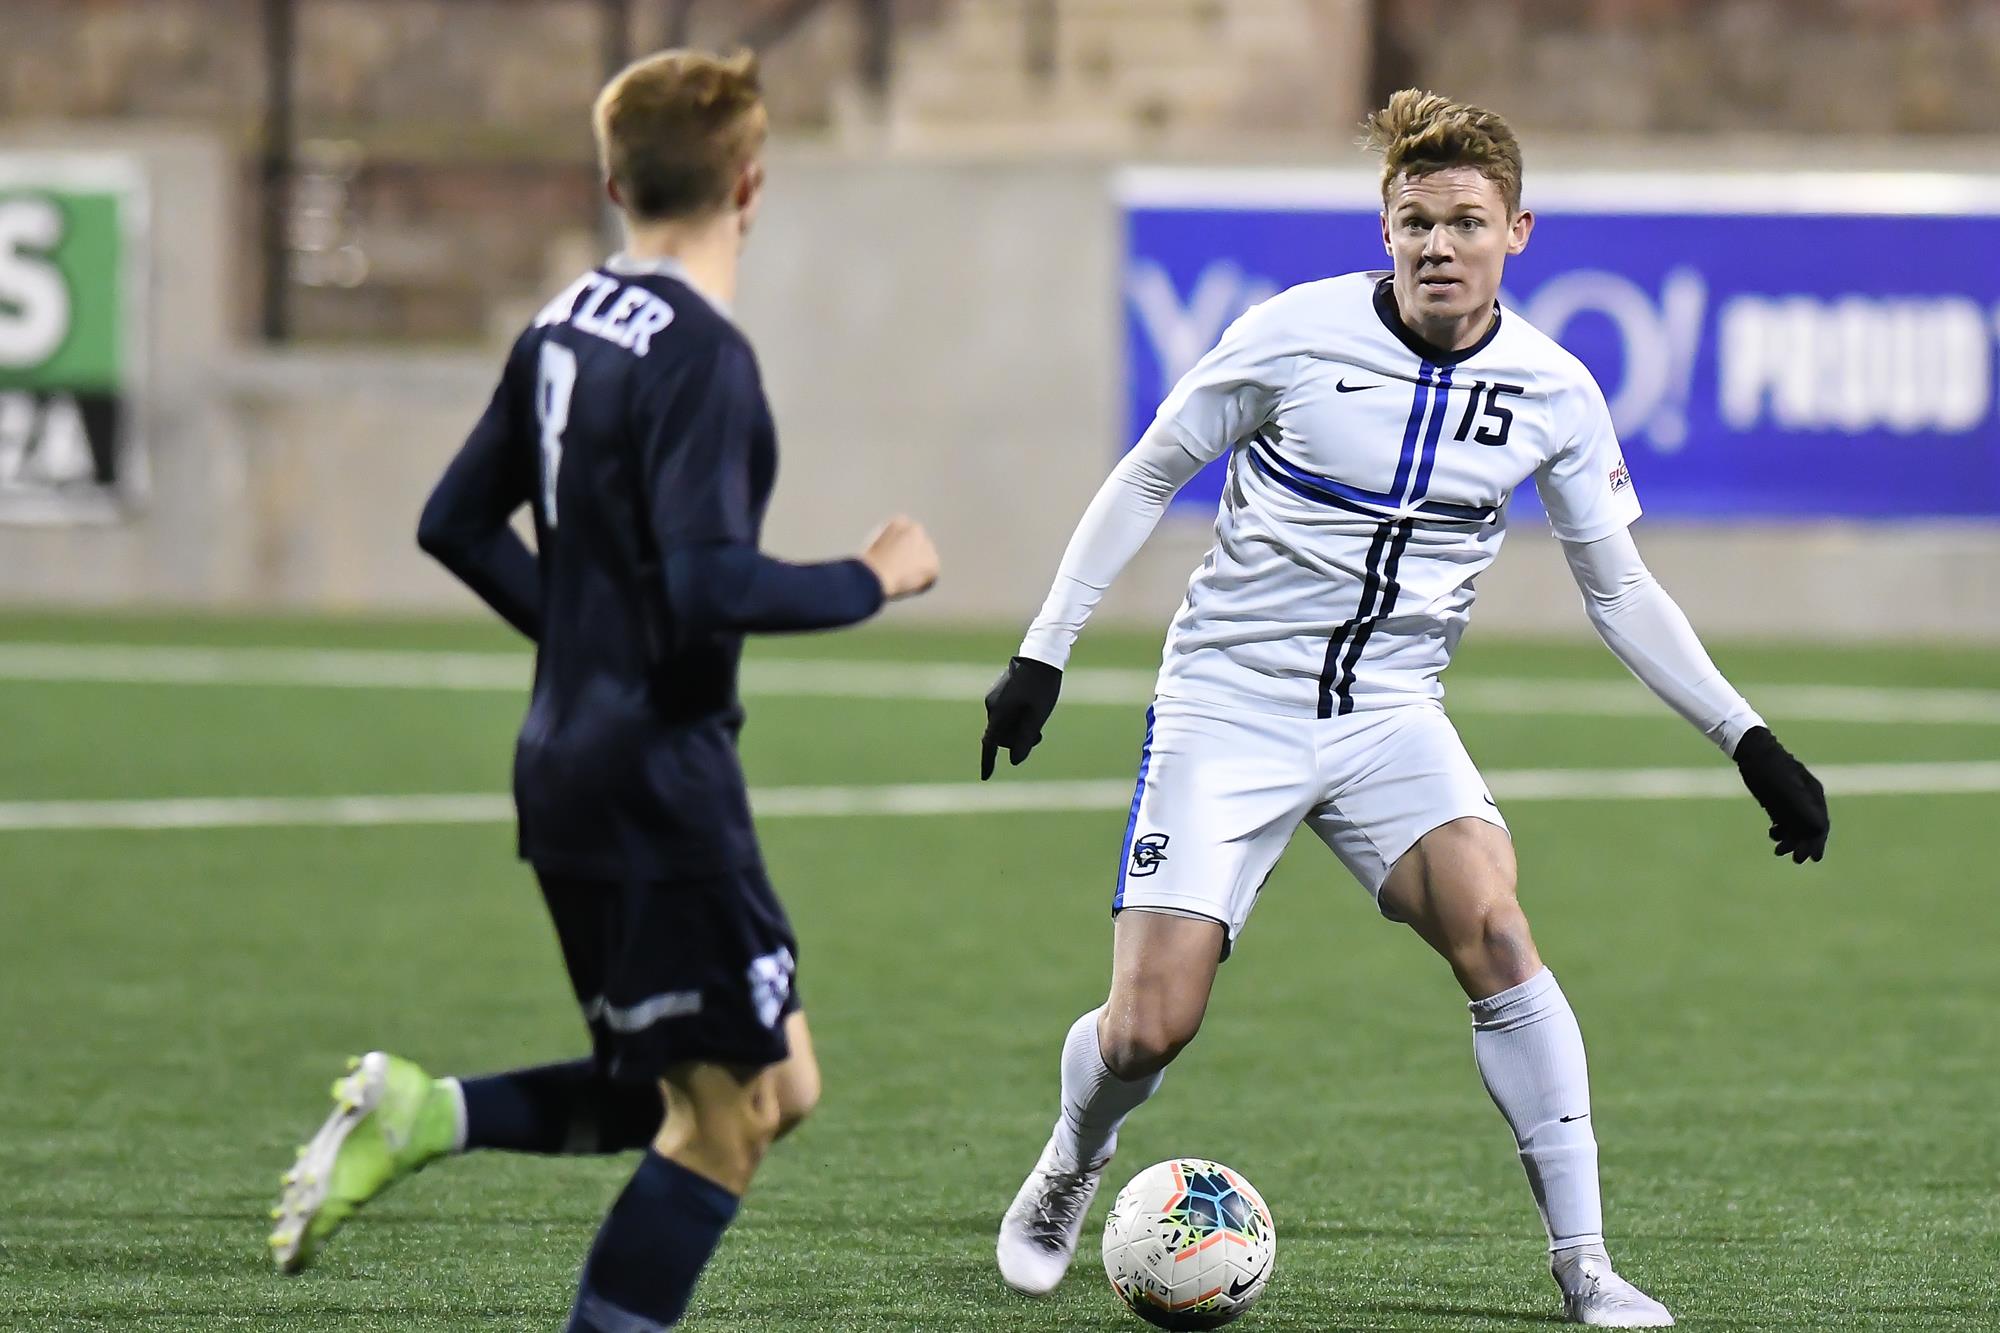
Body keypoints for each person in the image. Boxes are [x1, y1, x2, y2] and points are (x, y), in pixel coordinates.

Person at [982, 89, 1827, 1329]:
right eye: (1415, 221)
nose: (1439, 245)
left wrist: (1746, 739)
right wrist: (1042, 653)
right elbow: (1148, 472)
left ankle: (1584, 1263)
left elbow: (1620, 589)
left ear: (1517, 233)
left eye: (1466, 223)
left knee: (1495, 929)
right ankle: (1069, 1161)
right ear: (1383, 228)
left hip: (1387, 714)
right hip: (1228, 704)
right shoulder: (1289, 335)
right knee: (1148, 1030)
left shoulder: (1551, 389)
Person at [265, 48, 939, 1333]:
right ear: (751, 182)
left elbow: (452, 523)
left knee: (766, 1085)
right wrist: (870, 576)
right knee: (723, 1119)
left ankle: (427, 1112)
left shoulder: (563, 318)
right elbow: (704, 582)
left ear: (610, 177)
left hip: (574, 755)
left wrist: (580, 647)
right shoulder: (704, 358)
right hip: (657, 784)